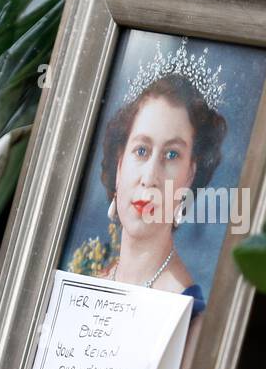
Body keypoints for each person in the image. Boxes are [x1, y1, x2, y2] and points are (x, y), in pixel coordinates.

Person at [67, 68, 227, 316]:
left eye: (171, 154)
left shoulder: (188, 315)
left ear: (190, 175)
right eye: (141, 151)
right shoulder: (90, 278)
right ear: (120, 163)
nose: (150, 177)